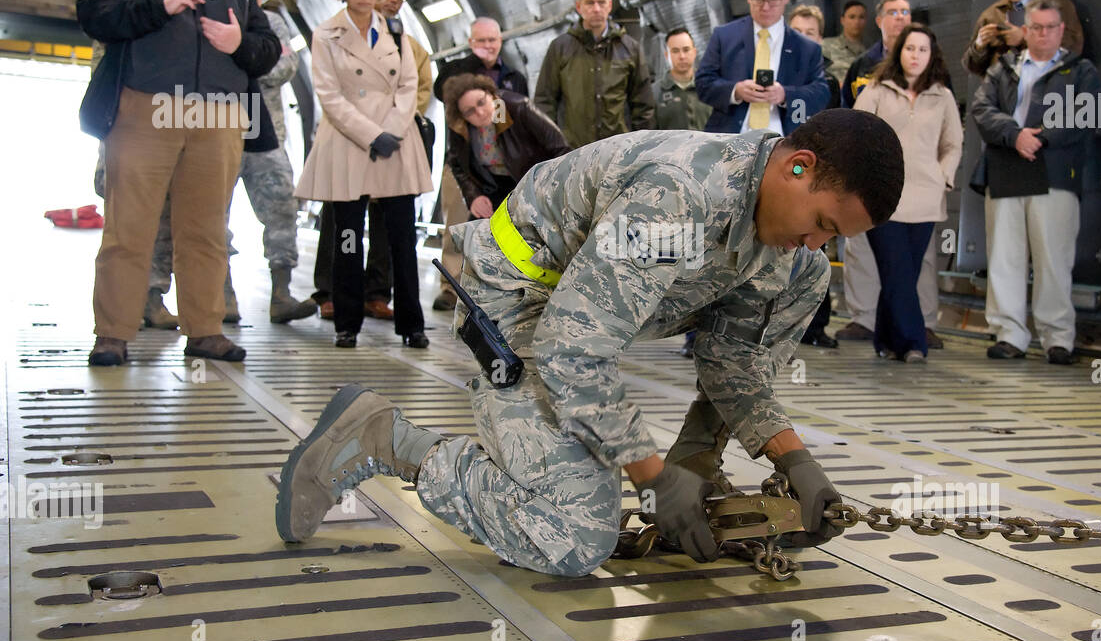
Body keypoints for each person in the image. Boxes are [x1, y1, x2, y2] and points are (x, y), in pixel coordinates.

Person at [276, 110, 906, 579]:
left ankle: (697, 467)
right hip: (521, 302)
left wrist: (790, 457)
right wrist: (651, 477)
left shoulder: (792, 255)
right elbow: (571, 350)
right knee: (575, 534)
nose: (816, 244)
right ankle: (387, 438)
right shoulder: (678, 198)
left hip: (588, 317)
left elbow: (734, 357)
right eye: (821, 223)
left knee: (803, 281)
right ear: (797, 167)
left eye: (835, 237)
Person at [78, 0, 280, 366]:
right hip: (146, 108)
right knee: (130, 225)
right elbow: (92, 15)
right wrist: (158, 7)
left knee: (208, 228)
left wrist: (238, 42)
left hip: (217, 116)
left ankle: (206, 330)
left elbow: (268, 48)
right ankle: (113, 333)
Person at [293, 0, 432, 349]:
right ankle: (347, 323)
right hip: (350, 143)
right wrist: (371, 135)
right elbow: (328, 94)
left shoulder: (397, 33)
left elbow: (409, 85)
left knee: (402, 239)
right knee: (348, 238)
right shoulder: (325, 34)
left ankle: (411, 323)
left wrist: (391, 130)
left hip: (395, 143)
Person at [970, 0, 1100, 364]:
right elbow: (982, 108)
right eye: (1036, 27)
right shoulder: (1003, 69)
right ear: (1025, 31)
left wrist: (1042, 137)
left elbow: (1085, 113)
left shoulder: (1080, 70)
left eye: (1050, 27)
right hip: (1007, 166)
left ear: (1061, 31)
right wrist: (1015, 135)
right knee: (1004, 257)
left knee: (1053, 259)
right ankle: (1009, 334)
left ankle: (1057, 339)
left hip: (1055, 171)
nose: (1043, 34)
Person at [89, 0, 178, 331]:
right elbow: (100, 25)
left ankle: (153, 296)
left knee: (165, 216)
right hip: (126, 118)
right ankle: (116, 313)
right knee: (125, 219)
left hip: (172, 119)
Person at [852, 25, 962, 362]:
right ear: (899, 52)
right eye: (910, 48)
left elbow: (953, 142)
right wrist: (867, 181)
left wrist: (942, 178)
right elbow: (856, 134)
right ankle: (915, 343)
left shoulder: (942, 96)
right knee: (896, 270)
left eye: (923, 50)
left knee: (905, 274)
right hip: (885, 199)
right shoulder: (876, 90)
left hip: (926, 200)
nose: (916, 56)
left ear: (932, 56)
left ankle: (886, 340)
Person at [220, 0, 317, 325]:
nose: (253, 4)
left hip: (266, 134)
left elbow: (284, 67)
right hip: (219, 132)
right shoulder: (216, 17)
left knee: (282, 208)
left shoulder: (273, 24)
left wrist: (238, 54)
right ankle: (223, 294)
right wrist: (253, 53)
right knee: (214, 215)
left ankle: (281, 294)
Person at [430, 16, 529, 312]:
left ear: (501, 41)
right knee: (457, 224)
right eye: (481, 41)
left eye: (492, 40)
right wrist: (471, 67)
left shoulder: (514, 76)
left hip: (502, 167)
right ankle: (450, 287)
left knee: (501, 230)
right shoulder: (455, 71)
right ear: (471, 43)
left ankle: (494, 289)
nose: (488, 46)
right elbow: (440, 91)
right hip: (463, 162)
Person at [694, 0, 830, 135]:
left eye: (773, 0)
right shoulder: (724, 36)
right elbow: (702, 83)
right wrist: (736, 91)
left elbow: (821, 94)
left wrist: (784, 95)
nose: (766, 7)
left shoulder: (807, 48)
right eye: (759, 0)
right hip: (729, 139)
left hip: (784, 141)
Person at [534, 0, 654, 146]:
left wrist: (639, 147)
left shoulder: (630, 48)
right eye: (590, 3)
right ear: (579, 7)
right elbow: (544, 101)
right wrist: (554, 146)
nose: (596, 9)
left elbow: (643, 105)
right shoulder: (560, 48)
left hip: (618, 150)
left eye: (601, 2)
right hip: (575, 152)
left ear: (610, 5)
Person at [786, 5, 843, 349]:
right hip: (783, 174)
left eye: (810, 33)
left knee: (816, 251)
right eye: (797, 34)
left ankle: (816, 325)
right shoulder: (774, 79)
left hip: (819, 178)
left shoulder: (829, 83)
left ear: (820, 39)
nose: (804, 40)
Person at [441, 73, 570, 218]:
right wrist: (473, 196)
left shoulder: (518, 107)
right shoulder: (460, 127)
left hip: (537, 183)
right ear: (462, 115)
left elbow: (561, 148)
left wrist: (547, 187)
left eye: (481, 102)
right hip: (495, 190)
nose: (480, 112)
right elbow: (457, 164)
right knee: (478, 233)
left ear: (490, 93)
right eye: (470, 111)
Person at [841, 0, 910, 108]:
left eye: (904, 12)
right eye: (892, 13)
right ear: (879, 21)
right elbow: (847, 111)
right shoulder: (861, 65)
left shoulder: (928, 61)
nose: (900, 17)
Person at [653, 28, 711, 131]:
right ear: (667, 55)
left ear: (694, 52)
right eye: (675, 51)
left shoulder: (711, 87)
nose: (682, 56)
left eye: (686, 49)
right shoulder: (655, 93)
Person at [820, 0, 868, 87]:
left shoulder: (871, 51)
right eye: (852, 17)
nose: (857, 22)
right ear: (842, 20)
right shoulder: (826, 46)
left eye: (861, 17)